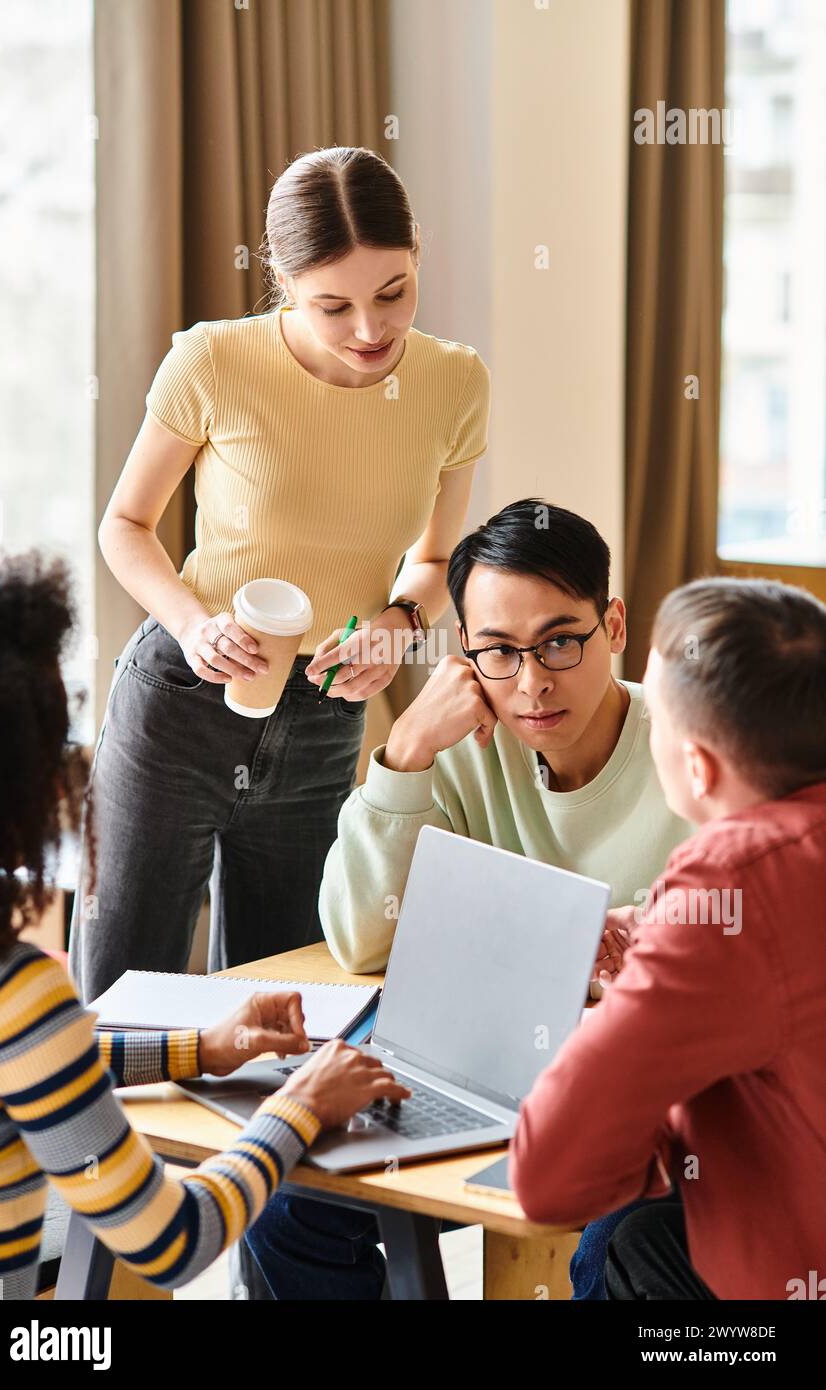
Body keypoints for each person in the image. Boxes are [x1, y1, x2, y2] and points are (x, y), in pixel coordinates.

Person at [68, 145, 490, 1003]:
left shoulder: (455, 382)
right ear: (285, 283)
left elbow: (437, 560)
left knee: (284, 1000)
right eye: (334, 305)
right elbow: (125, 526)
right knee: (125, 989)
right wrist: (194, 625)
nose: (370, 330)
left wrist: (400, 626)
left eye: (393, 293)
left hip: (329, 712)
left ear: (417, 257)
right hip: (185, 697)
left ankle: (260, 1142)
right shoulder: (215, 361)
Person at [242, 499, 694, 1299]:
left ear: (615, 625)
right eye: (497, 652)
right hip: (488, 1073)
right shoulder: (461, 746)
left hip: (645, 1099)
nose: (532, 683)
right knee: (286, 1203)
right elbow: (361, 940)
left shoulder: (695, 749)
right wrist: (407, 751)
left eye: (561, 640)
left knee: (616, 1252)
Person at [0, 553, 410, 1299]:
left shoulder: (4, 1012)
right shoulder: (13, 992)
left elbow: (24, 1066)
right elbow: (173, 1242)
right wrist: (297, 1109)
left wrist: (200, 1048)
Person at [509, 577, 826, 1300]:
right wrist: (661, 930)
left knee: (622, 1238)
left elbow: (550, 1176)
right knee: (641, 1241)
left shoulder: (729, 879)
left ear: (697, 767)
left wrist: (640, 1022)